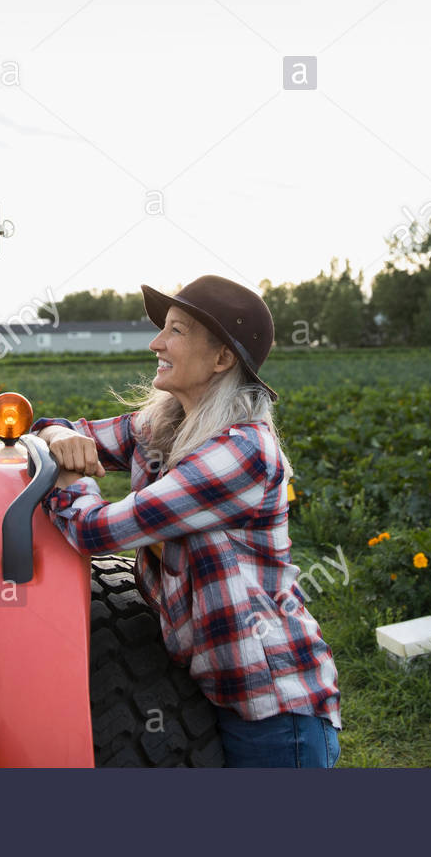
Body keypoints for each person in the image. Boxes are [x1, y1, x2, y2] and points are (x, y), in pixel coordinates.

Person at [32, 275, 342, 767]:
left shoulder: (244, 452)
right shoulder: (165, 426)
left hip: (276, 711)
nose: (156, 342)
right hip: (215, 692)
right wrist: (53, 436)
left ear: (221, 359)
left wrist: (66, 478)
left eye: (176, 331)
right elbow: (74, 429)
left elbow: (96, 531)